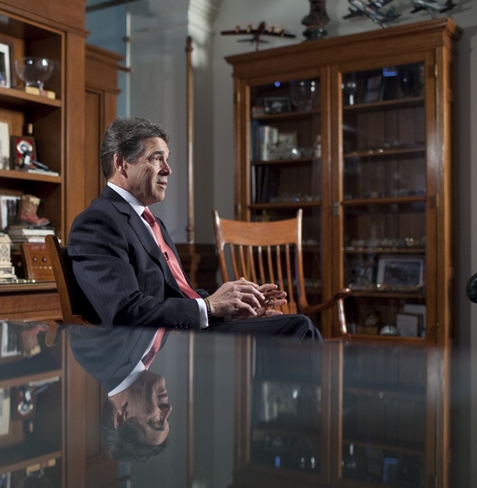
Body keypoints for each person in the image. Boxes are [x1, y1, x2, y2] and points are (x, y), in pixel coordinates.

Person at [68, 116, 322, 340]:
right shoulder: (98, 221)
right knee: (299, 327)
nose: (168, 169)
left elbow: (179, 295)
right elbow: (123, 311)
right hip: (159, 348)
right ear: (121, 163)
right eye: (157, 159)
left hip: (185, 335)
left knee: (288, 326)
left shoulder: (149, 221)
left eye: (167, 159)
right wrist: (211, 306)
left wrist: (232, 309)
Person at [68, 325, 171, 463]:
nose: (168, 410)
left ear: (122, 417)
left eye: (157, 422)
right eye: (167, 420)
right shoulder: (151, 352)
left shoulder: (97, 356)